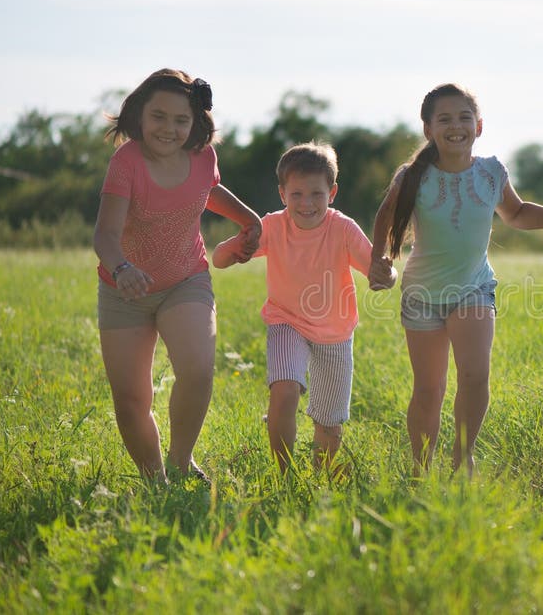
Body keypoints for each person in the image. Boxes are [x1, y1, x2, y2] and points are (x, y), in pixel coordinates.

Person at [369, 83, 543, 476]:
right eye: (445, 119)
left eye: (464, 117)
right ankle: (420, 470)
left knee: (475, 375)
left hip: (474, 289)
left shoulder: (490, 172)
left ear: (479, 126)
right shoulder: (413, 176)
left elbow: (517, 213)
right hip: (422, 295)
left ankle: (462, 458)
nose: (456, 126)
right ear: (428, 129)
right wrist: (378, 257)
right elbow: (385, 214)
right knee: (429, 389)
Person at [94, 68, 262, 483]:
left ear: (195, 122)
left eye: (181, 120)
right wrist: (121, 268)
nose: (169, 128)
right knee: (131, 400)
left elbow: (207, 190)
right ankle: (155, 480)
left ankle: (182, 460)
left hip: (187, 280)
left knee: (198, 370)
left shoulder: (203, 157)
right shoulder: (127, 162)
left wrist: (248, 218)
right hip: (124, 290)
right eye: (159, 116)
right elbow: (105, 235)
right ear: (139, 114)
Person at [213, 142, 396, 474]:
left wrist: (387, 275)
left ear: (332, 193)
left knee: (328, 422)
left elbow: (378, 272)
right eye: (296, 194)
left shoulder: (343, 229)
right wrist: (238, 245)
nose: (306, 203)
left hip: (334, 333)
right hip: (287, 321)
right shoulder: (273, 226)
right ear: (282, 194)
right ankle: (284, 476)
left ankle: (320, 477)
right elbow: (220, 259)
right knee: (284, 392)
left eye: (316, 194)